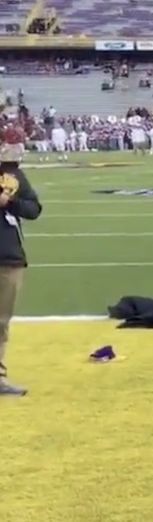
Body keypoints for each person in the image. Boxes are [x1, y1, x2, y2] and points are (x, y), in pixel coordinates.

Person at [0, 139, 39, 397]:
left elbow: (33, 209)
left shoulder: (11, 173)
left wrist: (9, 202)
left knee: (0, 322)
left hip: (8, 256)